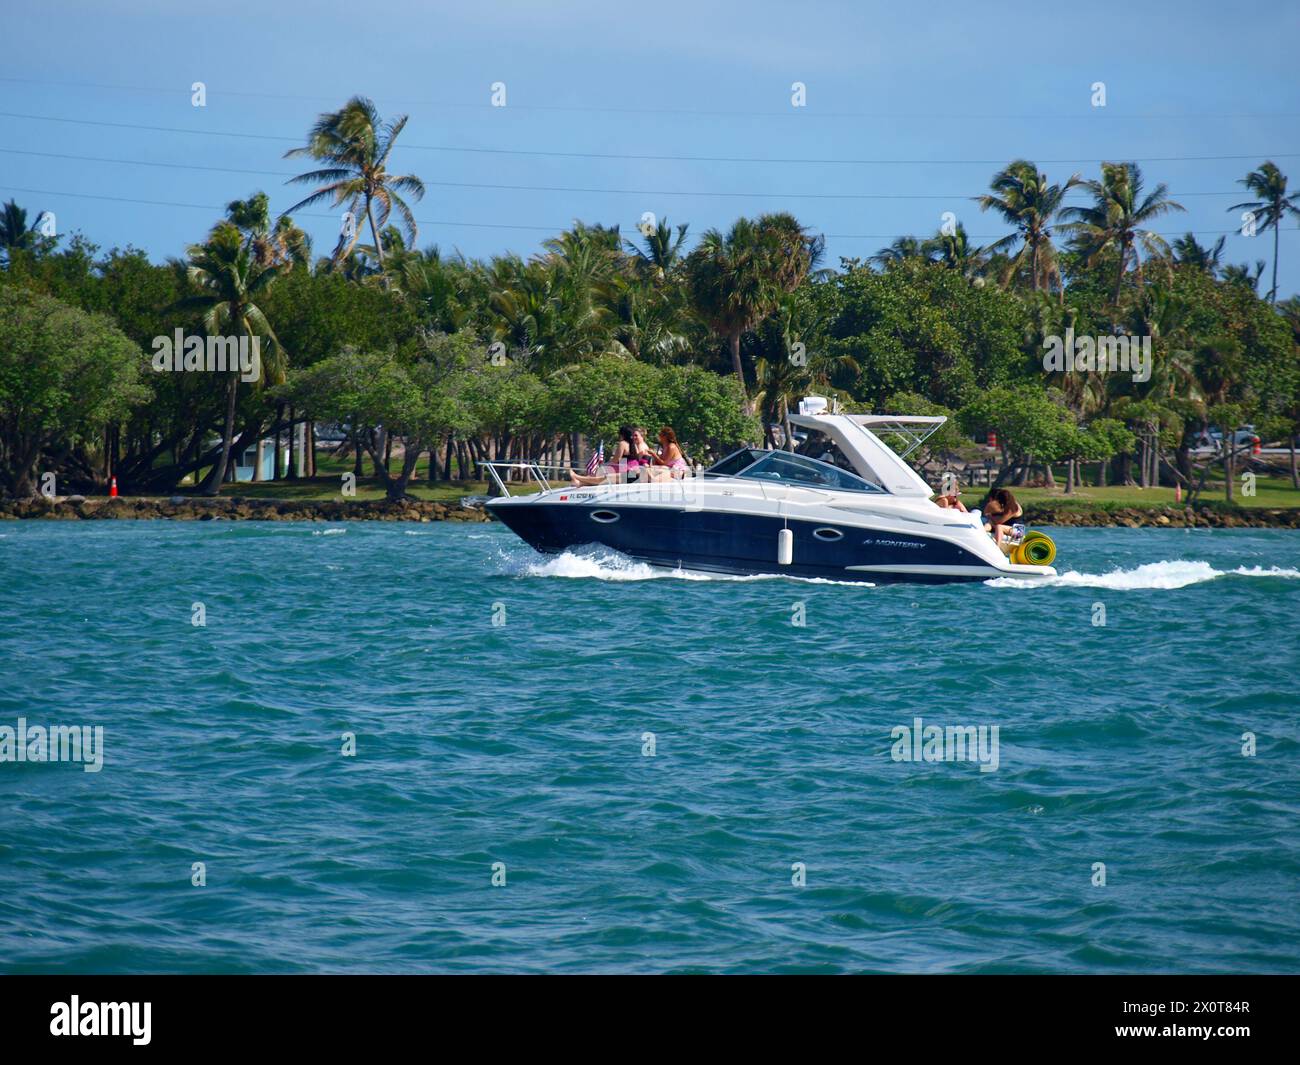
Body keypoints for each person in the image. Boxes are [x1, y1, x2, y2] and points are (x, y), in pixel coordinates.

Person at [569, 426, 639, 486]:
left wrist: (605, 464)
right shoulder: (634, 445)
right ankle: (580, 483)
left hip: (629, 474)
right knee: (605, 478)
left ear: (622, 435)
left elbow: (615, 460)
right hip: (634, 473)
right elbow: (626, 461)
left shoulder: (623, 444)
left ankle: (577, 477)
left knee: (604, 477)